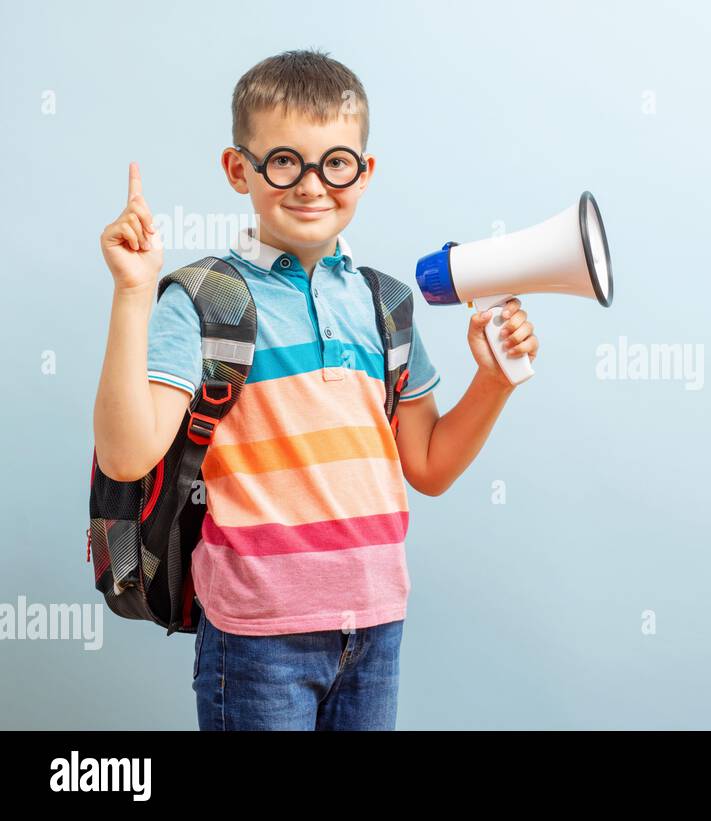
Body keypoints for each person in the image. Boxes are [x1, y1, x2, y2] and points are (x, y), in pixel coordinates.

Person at [91, 49, 538, 730]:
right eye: (283, 162)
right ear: (238, 168)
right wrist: (132, 292)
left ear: (365, 171)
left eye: (335, 163)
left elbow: (430, 465)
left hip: (378, 624)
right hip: (256, 635)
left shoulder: (383, 302)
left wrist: (494, 380)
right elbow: (126, 456)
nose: (311, 186)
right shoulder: (205, 299)